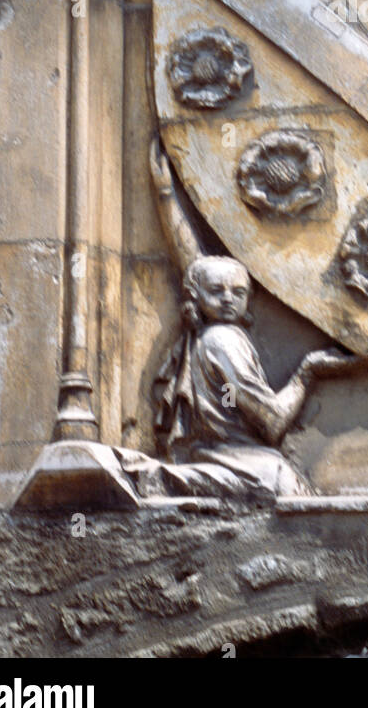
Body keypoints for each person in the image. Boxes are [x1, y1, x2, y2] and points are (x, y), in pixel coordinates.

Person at [144, 138, 337, 502]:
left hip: (213, 456)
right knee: (289, 487)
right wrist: (308, 372)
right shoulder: (223, 341)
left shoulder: (207, 332)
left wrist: (168, 196)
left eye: (238, 292)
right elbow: (272, 422)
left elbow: (194, 265)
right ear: (197, 297)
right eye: (218, 292)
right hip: (243, 463)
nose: (229, 299)